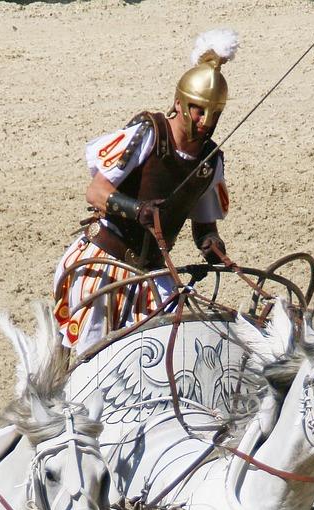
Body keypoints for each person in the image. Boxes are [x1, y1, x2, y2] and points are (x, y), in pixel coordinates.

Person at [54, 29, 238, 350]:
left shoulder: (209, 162)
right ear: (180, 103)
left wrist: (212, 244)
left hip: (151, 273)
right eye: (199, 110)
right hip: (104, 260)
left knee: (175, 344)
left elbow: (204, 226)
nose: (206, 121)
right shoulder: (148, 135)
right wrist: (136, 209)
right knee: (92, 356)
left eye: (214, 113)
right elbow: (95, 191)